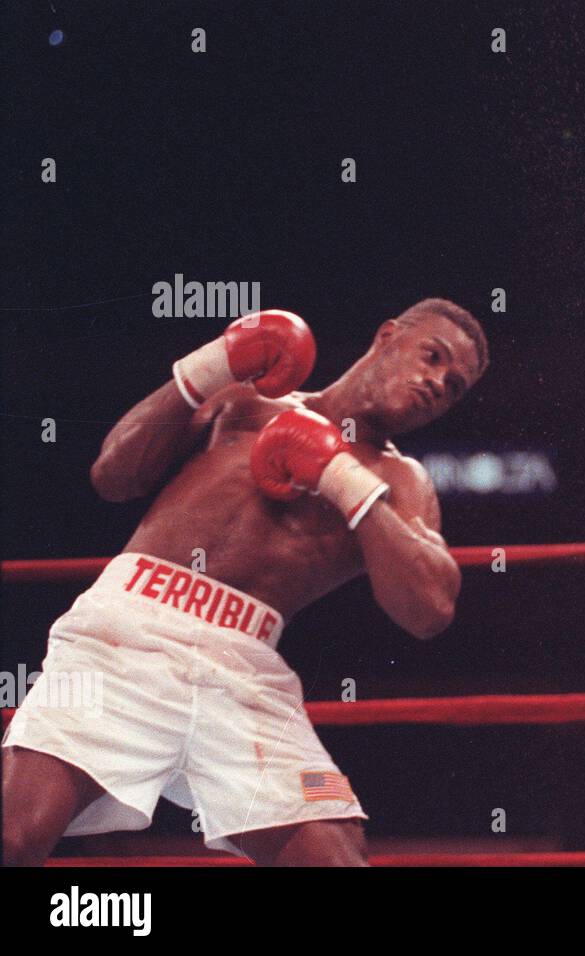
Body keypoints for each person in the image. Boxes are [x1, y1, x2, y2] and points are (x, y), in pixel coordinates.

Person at [2, 298, 487, 866]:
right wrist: (211, 364)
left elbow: (430, 611)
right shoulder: (246, 400)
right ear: (387, 336)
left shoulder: (401, 482)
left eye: (454, 387)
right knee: (13, 837)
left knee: (335, 862)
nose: (436, 383)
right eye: (432, 356)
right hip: (127, 631)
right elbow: (113, 475)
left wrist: (342, 477)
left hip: (245, 671)